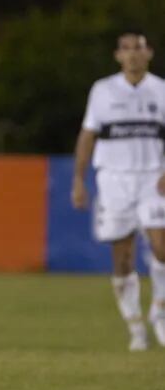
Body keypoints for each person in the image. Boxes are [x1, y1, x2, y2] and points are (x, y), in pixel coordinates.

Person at [72, 30, 165, 351]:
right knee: (123, 256)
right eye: (126, 49)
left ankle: (160, 311)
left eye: (138, 48)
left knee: (161, 245)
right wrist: (79, 179)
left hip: (154, 178)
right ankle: (135, 326)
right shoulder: (103, 90)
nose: (133, 54)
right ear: (118, 55)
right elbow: (88, 135)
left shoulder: (161, 90)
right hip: (114, 180)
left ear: (148, 52)